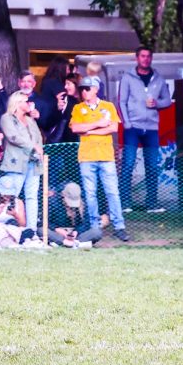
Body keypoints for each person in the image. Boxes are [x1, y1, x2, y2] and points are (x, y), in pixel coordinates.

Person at [115, 48, 174, 212]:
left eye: (148, 56)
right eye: (142, 56)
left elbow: (167, 100)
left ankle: (152, 204)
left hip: (152, 128)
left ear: (151, 58)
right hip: (132, 127)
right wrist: (126, 123)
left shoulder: (158, 78)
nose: (146, 59)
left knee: (152, 166)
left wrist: (157, 104)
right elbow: (122, 102)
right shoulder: (127, 77)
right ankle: (125, 203)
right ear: (136, 58)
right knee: (128, 163)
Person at [70, 75, 127, 242]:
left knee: (112, 192)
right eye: (82, 89)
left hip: (105, 155)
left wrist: (89, 131)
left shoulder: (108, 106)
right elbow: (75, 128)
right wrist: (99, 124)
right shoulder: (78, 108)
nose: (84, 92)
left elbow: (114, 127)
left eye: (87, 89)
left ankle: (119, 226)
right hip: (87, 157)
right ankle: (94, 227)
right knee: (90, 193)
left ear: (96, 89)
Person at [0, 90, 44, 228]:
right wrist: (33, 147)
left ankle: (32, 229)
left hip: (33, 163)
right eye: (26, 101)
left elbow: (38, 137)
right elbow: (13, 136)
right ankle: (8, 226)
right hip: (16, 162)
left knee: (32, 196)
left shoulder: (30, 120)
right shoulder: (7, 118)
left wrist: (39, 149)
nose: (29, 103)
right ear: (17, 103)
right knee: (12, 195)